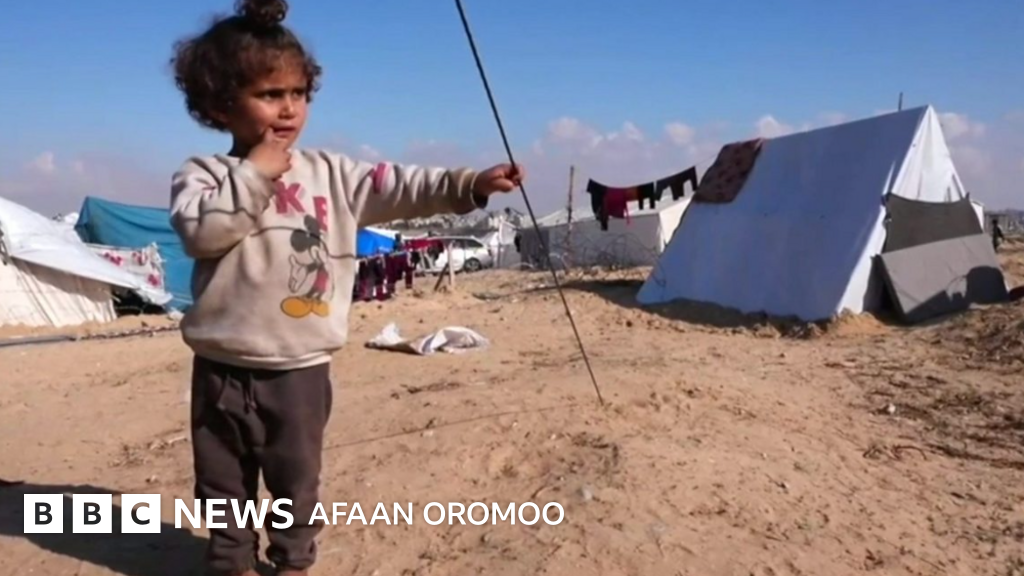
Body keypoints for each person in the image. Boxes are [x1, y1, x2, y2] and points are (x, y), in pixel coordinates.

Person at [167, 1, 525, 574]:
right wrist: (255, 170)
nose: (287, 109)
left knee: (294, 481)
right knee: (222, 485)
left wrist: (470, 183)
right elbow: (204, 235)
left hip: (299, 370)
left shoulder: (334, 175)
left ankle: (289, 562)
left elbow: (404, 186)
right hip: (221, 368)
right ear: (219, 103)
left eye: (298, 93)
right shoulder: (204, 175)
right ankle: (230, 561)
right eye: (268, 94)